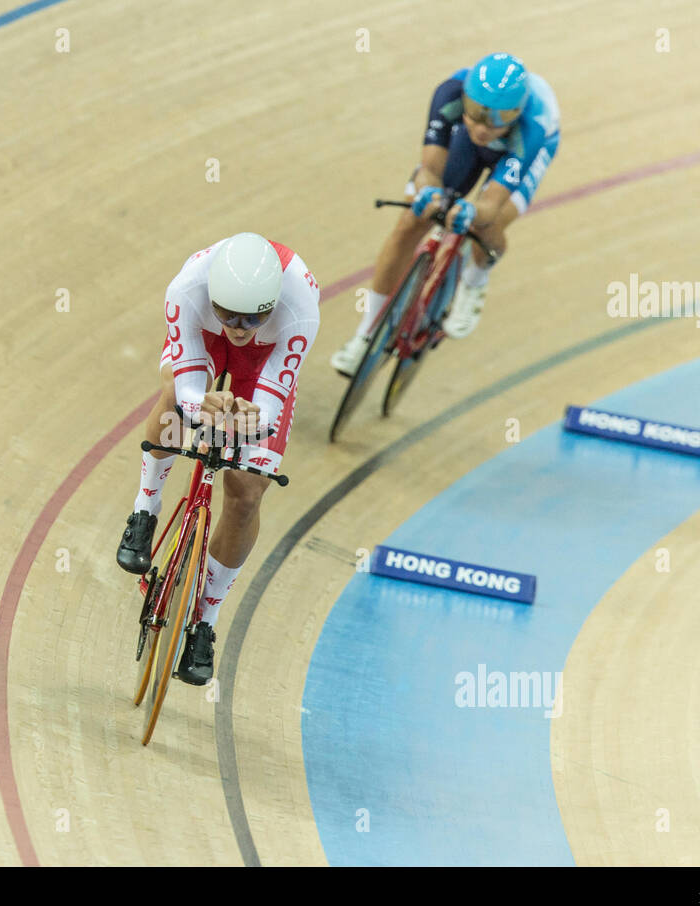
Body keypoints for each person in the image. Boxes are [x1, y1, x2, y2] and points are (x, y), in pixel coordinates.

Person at [116, 233, 320, 685]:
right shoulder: (188, 287)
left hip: (266, 365)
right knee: (173, 396)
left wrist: (253, 419)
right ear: (213, 296)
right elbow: (188, 388)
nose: (242, 325)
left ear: (274, 304)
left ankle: (205, 620)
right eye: (230, 313)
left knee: (247, 491)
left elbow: (270, 406)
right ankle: (145, 509)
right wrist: (198, 405)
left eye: (255, 315)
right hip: (201, 344)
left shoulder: (301, 308)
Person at [331, 52, 560, 375]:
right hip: (465, 143)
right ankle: (365, 335)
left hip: (521, 151)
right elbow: (430, 170)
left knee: (486, 227)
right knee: (411, 221)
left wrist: (471, 211)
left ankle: (475, 280)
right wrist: (427, 191)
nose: (482, 127)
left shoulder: (532, 127)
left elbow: (491, 205)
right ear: (464, 98)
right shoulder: (448, 94)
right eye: (476, 113)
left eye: (497, 118)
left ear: (517, 113)